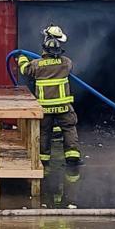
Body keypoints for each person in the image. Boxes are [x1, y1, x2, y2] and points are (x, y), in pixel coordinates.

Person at [18, 25, 81, 165]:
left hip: (44, 108)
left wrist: (21, 58)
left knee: (44, 132)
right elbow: (70, 66)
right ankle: (72, 157)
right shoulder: (66, 63)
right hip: (63, 107)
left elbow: (24, 69)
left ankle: (43, 159)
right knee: (69, 128)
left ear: (44, 49)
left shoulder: (36, 64)